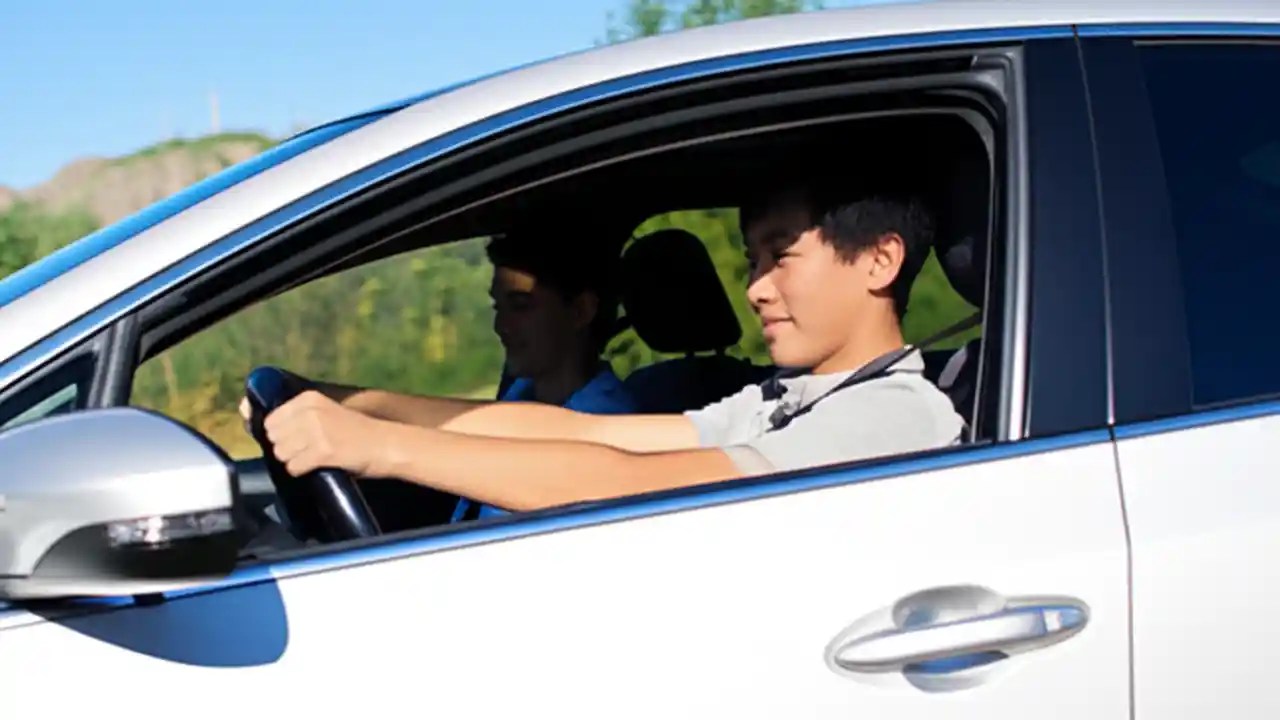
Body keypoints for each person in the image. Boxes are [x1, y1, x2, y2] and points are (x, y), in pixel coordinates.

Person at [243, 188, 965, 516]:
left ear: (879, 261)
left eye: (781, 257)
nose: (755, 289)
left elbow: (625, 480)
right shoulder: (784, 397)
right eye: (752, 261)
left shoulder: (892, 414)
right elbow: (583, 431)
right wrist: (352, 402)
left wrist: (381, 450)